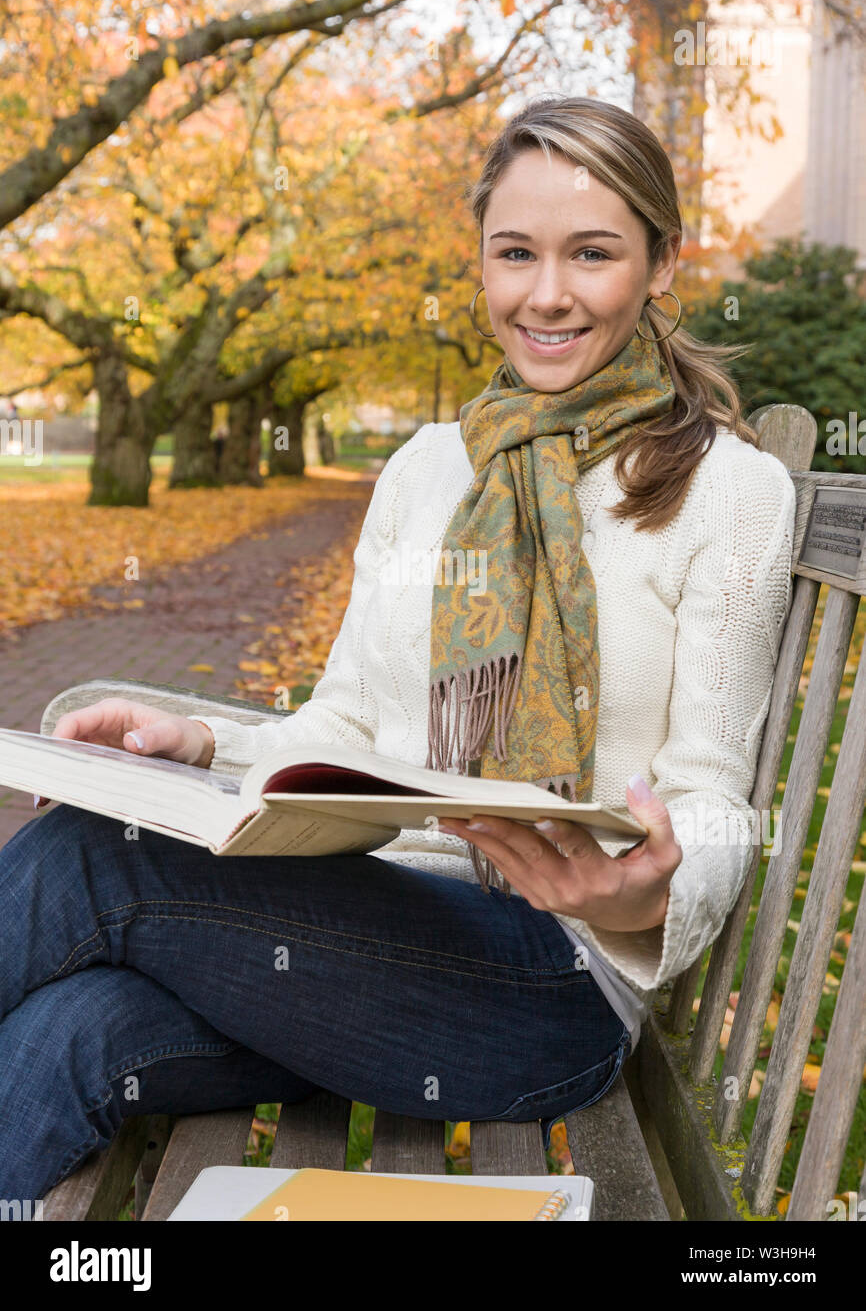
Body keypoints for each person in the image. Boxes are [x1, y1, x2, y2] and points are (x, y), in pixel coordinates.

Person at [0, 95, 796, 1201]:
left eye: (593, 254)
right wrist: (197, 742)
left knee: (97, 852)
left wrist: (638, 895)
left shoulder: (727, 494)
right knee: (71, 1028)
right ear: (479, 263)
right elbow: (343, 725)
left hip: (548, 985)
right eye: (514, 253)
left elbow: (711, 793)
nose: (546, 293)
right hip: (365, 939)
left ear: (661, 262)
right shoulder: (428, 469)